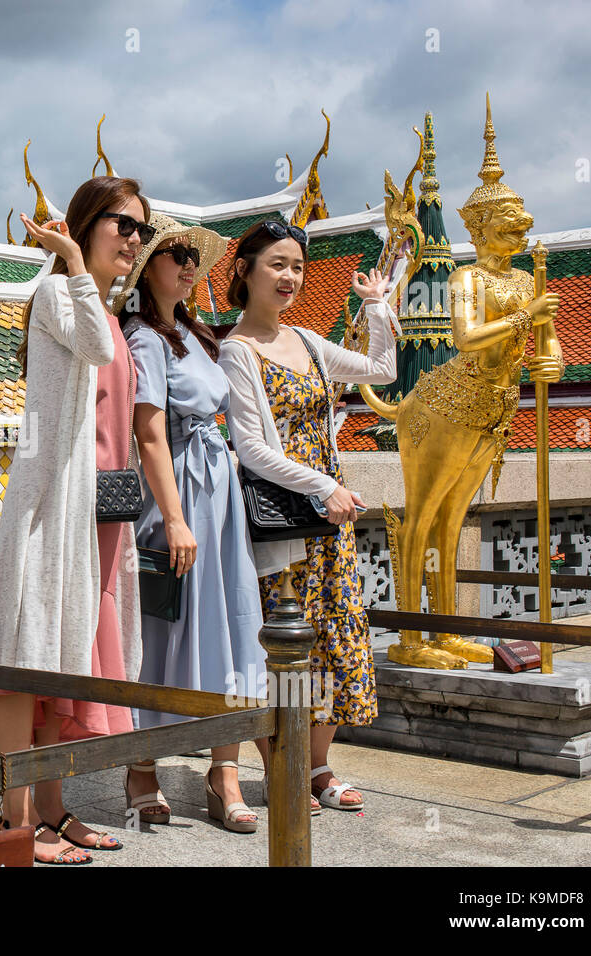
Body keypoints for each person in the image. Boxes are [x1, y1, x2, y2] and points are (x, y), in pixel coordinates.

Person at [0, 176, 148, 863]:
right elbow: (96, 351)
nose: (133, 238)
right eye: (121, 225)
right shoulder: (55, 292)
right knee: (25, 658)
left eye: (140, 228)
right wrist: (71, 262)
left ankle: (53, 812)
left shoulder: (97, 305)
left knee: (62, 662)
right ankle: (15, 826)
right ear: (83, 226)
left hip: (90, 510)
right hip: (48, 501)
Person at [218, 219, 398, 812]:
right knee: (283, 646)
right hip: (280, 516)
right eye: (277, 264)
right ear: (244, 271)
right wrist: (323, 484)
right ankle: (283, 769)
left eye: (296, 265)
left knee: (335, 638)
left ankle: (317, 767)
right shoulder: (236, 350)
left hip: (328, 517)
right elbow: (252, 448)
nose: (290, 276)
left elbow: (381, 372)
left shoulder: (310, 341)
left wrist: (377, 307)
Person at [114, 213, 267, 833]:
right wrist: (174, 519)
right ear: (147, 265)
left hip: (219, 485)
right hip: (177, 486)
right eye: (173, 253)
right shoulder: (145, 338)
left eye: (191, 255)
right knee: (165, 622)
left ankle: (223, 771)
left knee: (233, 621)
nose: (186, 264)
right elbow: (147, 432)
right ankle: (141, 767)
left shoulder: (200, 337)